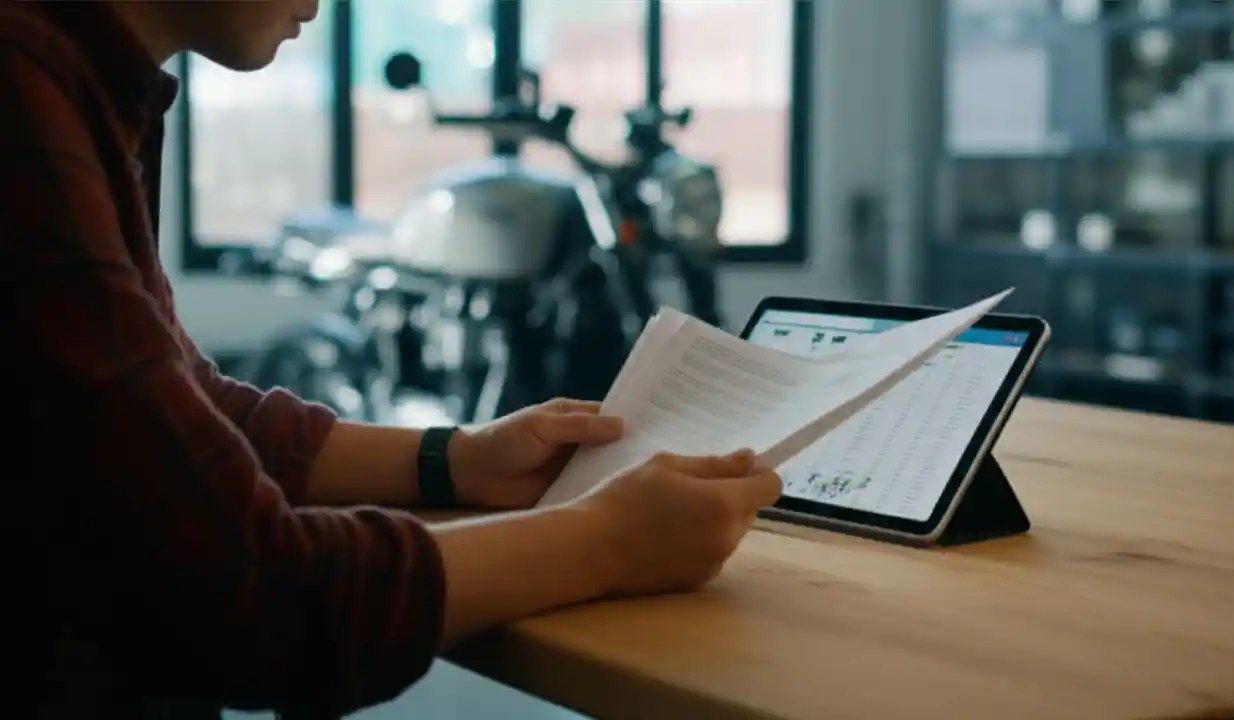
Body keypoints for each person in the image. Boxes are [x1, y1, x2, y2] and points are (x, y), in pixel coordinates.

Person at [1, 1, 782, 716]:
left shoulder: (80, 82)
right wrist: (607, 540)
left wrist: (458, 459)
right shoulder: (19, 89)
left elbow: (189, 413)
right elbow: (252, 593)